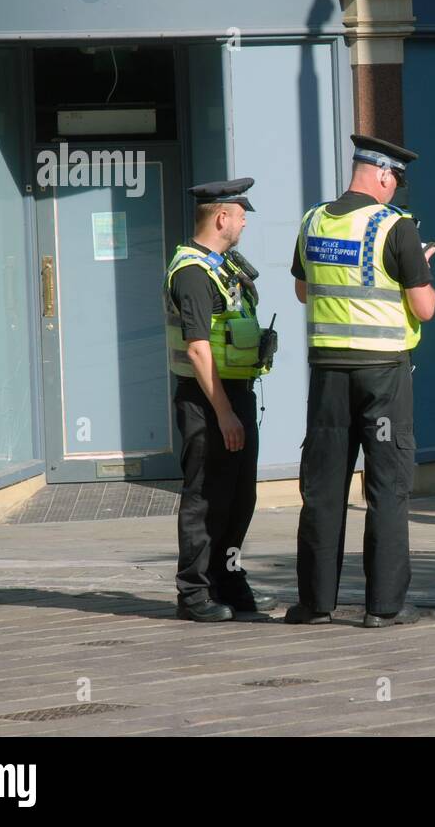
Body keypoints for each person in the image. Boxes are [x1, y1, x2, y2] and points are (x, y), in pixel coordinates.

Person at [285, 134, 435, 628]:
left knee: (324, 487)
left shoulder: (313, 220)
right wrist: (421, 272)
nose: (395, 191)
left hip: (328, 373)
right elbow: (424, 308)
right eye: (395, 181)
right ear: (383, 176)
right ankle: (383, 607)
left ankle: (315, 604)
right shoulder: (397, 227)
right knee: (387, 486)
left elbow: (303, 290)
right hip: (383, 376)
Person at [163, 178, 278, 622]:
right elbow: (197, 348)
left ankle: (228, 579)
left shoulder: (222, 265)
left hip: (235, 393)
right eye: (241, 216)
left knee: (239, 496)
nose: (245, 224)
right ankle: (194, 594)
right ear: (221, 217)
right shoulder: (191, 272)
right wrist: (225, 413)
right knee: (206, 496)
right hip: (206, 400)